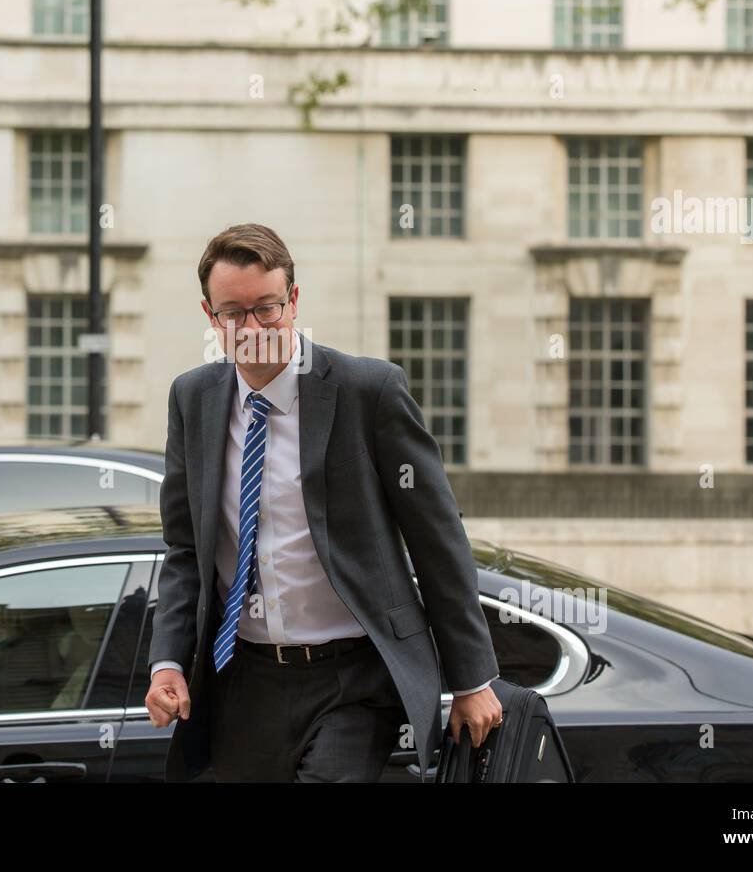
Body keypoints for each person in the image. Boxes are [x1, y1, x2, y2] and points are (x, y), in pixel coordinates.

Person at [144, 223, 503, 782]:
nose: (254, 327)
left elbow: (438, 538)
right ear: (210, 316)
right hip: (244, 680)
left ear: (294, 300)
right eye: (233, 313)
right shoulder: (193, 399)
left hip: (353, 679)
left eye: (267, 308)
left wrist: (472, 679)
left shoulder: (369, 391)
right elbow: (185, 549)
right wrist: (168, 661)